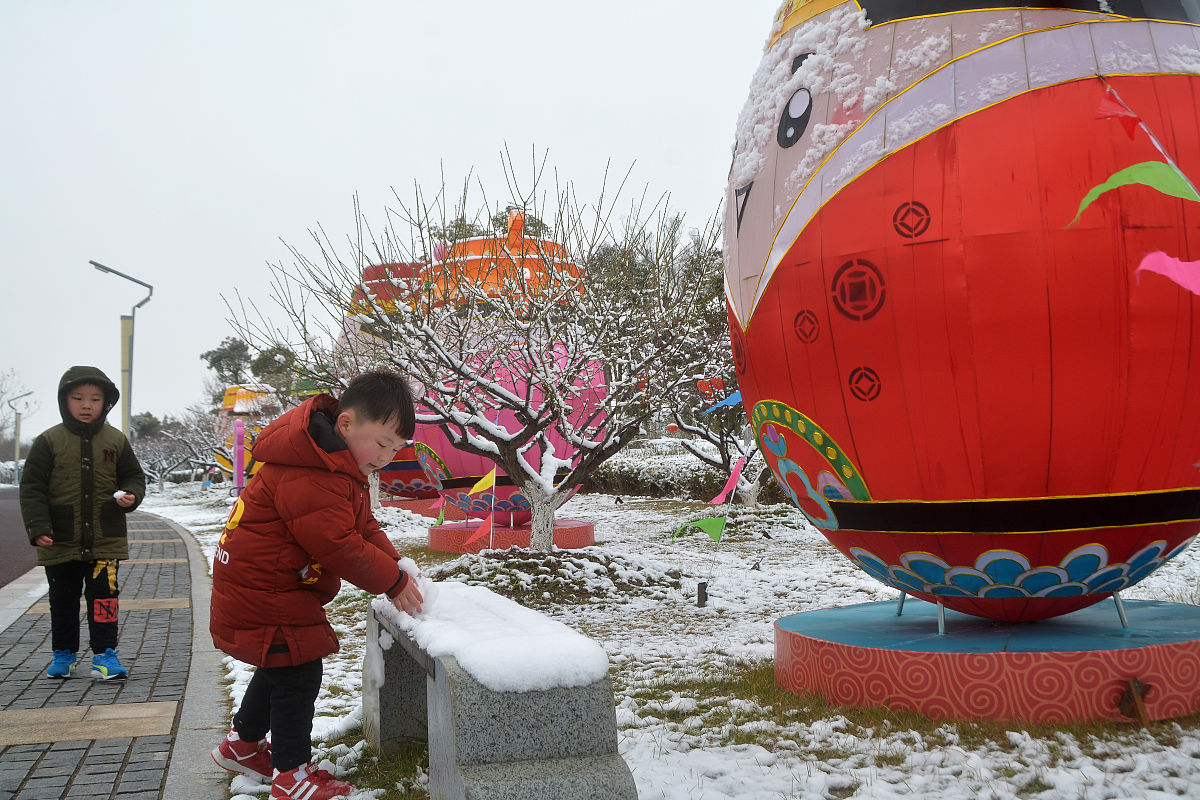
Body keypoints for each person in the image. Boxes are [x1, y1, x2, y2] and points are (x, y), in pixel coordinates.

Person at [209, 371, 424, 800]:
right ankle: (291, 775)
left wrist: (398, 562)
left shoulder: (335, 462)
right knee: (298, 669)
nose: (386, 457)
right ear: (346, 424)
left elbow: (361, 525)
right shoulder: (312, 470)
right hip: (265, 586)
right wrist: (392, 580)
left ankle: (242, 746)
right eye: (382, 444)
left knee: (281, 661)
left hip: (270, 581)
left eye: (396, 449)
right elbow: (337, 544)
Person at [19, 366, 146, 681]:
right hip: (60, 538)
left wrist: (131, 494)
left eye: (94, 399)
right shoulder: (49, 441)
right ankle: (64, 653)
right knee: (62, 600)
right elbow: (32, 488)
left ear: (106, 403)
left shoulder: (115, 440)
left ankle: (105, 654)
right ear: (65, 401)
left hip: (106, 537)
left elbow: (133, 476)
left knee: (105, 598)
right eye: (78, 398)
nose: (86, 405)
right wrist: (39, 528)